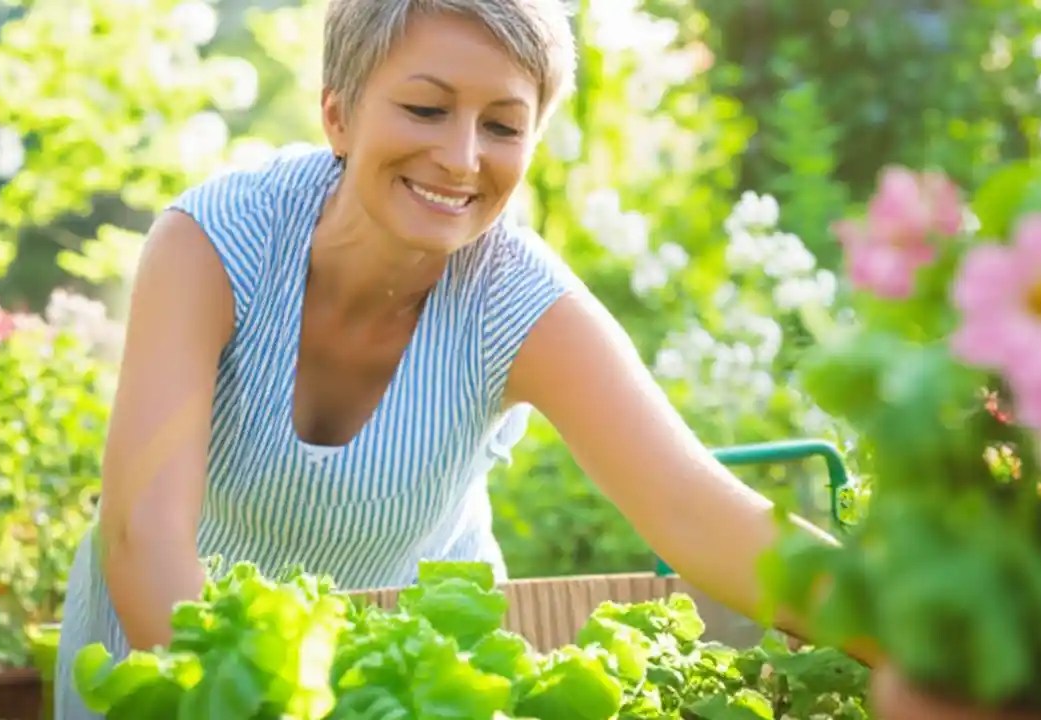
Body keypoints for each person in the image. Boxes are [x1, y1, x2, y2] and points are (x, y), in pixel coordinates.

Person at [54, 0, 866, 716]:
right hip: (174, 674)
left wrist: (935, 655)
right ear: (338, 115)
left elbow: (699, 512)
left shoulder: (516, 298)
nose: (462, 157)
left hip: (406, 692)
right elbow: (144, 537)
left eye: (504, 125)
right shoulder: (212, 245)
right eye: (425, 108)